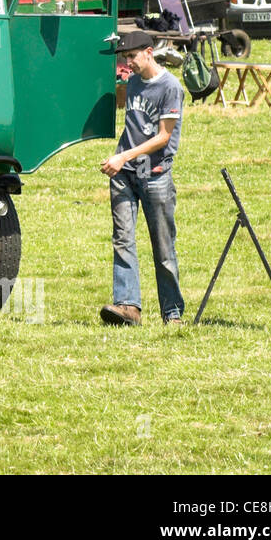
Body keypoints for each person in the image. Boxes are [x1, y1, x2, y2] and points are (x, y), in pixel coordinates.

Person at [98, 30, 186, 326]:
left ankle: (172, 312)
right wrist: (121, 158)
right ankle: (128, 306)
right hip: (124, 174)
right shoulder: (133, 82)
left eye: (132, 56)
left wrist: (124, 155)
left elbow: (163, 136)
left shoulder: (170, 87)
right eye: (125, 57)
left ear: (149, 52)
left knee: (163, 246)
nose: (129, 63)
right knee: (122, 239)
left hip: (155, 175)